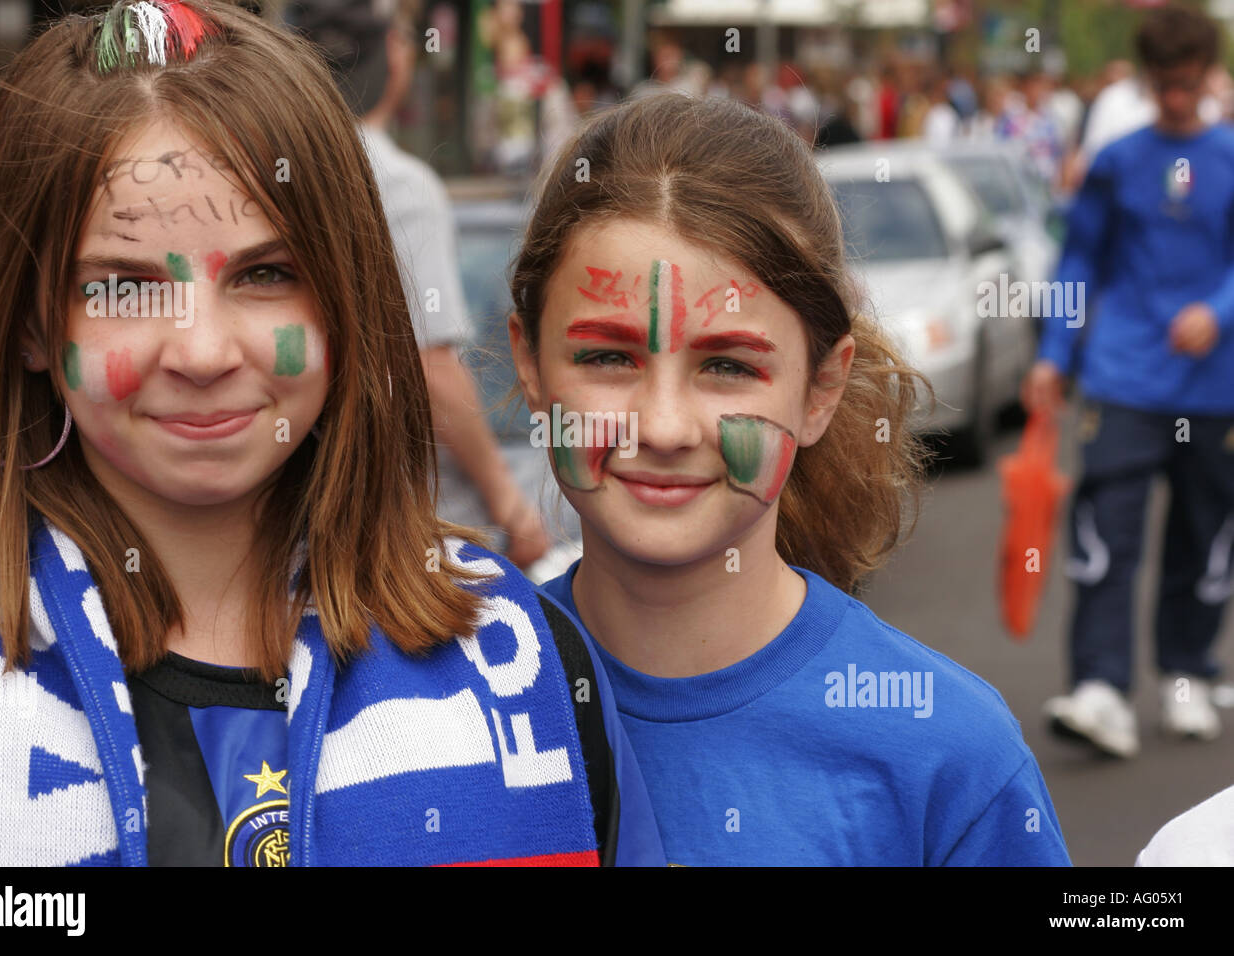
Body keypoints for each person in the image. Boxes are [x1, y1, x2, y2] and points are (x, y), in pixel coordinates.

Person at [0, 0, 662, 867]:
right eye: (123, 285)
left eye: (266, 273)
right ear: (27, 323)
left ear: (345, 296)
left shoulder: (532, 660)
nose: (202, 350)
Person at [506, 92, 1072, 866]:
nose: (665, 427)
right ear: (530, 366)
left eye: (729, 367)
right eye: (608, 357)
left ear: (820, 390)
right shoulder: (436, 716)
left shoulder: (947, 756)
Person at [1025, 5, 1234, 759]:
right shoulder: (1117, 162)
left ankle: (1185, 672)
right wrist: (1054, 352)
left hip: (1214, 389)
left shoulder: (1230, 156)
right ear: (1147, 81)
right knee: (1104, 534)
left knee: (1204, 534)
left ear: (1208, 76)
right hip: (1123, 379)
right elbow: (1079, 261)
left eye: (1188, 85)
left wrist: (1217, 310)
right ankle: (1102, 688)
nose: (1176, 99)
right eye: (1163, 86)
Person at [283, 0, 549, 570]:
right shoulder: (401, 185)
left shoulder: (275, 164)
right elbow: (432, 367)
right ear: (394, 63)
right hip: (415, 520)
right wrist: (511, 507)